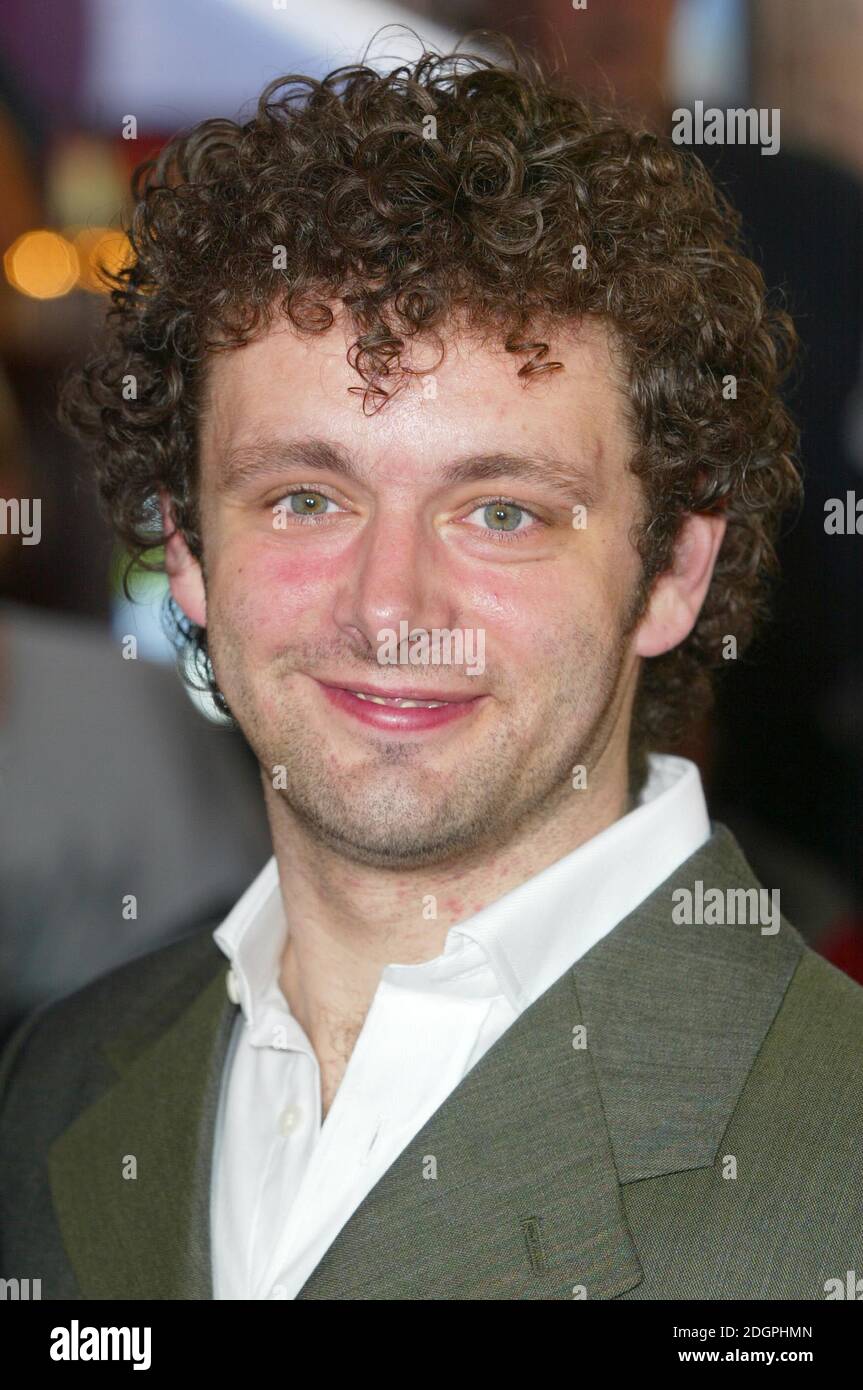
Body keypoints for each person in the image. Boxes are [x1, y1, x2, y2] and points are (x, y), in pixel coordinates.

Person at [1, 35, 861, 1302]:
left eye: (500, 511)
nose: (388, 604)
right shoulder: (62, 1081)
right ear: (186, 546)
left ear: (674, 567)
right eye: (303, 497)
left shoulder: (827, 1150)